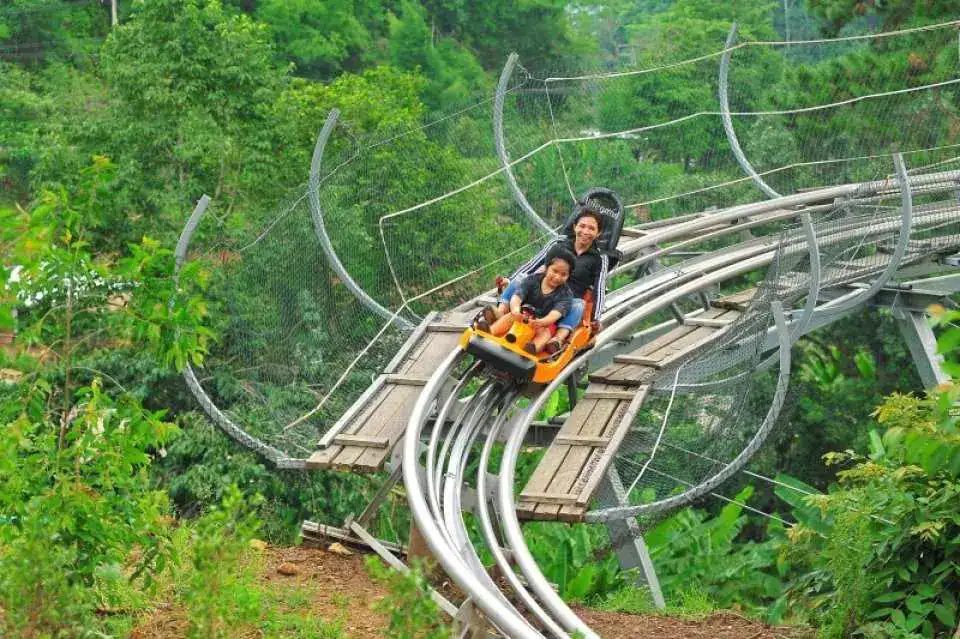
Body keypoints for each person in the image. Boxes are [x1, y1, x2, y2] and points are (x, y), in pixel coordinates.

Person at [484, 203, 610, 353]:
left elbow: (600, 289)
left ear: (598, 233)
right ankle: (501, 312)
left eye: (591, 228)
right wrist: (509, 280)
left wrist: (596, 318)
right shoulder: (558, 244)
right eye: (582, 226)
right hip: (542, 290)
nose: (585, 231)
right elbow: (532, 265)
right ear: (575, 226)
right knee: (521, 279)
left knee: (579, 305)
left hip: (565, 302)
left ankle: (557, 339)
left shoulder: (599, 258)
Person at [484, 248, 575, 355]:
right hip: (523, 316)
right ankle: (490, 331)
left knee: (545, 334)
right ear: (546, 268)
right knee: (510, 316)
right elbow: (517, 297)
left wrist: (542, 322)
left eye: (563, 275)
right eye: (554, 271)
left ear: (568, 276)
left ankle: (532, 348)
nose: (557, 277)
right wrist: (516, 310)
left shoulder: (566, 295)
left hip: (543, 324)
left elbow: (555, 314)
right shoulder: (532, 280)